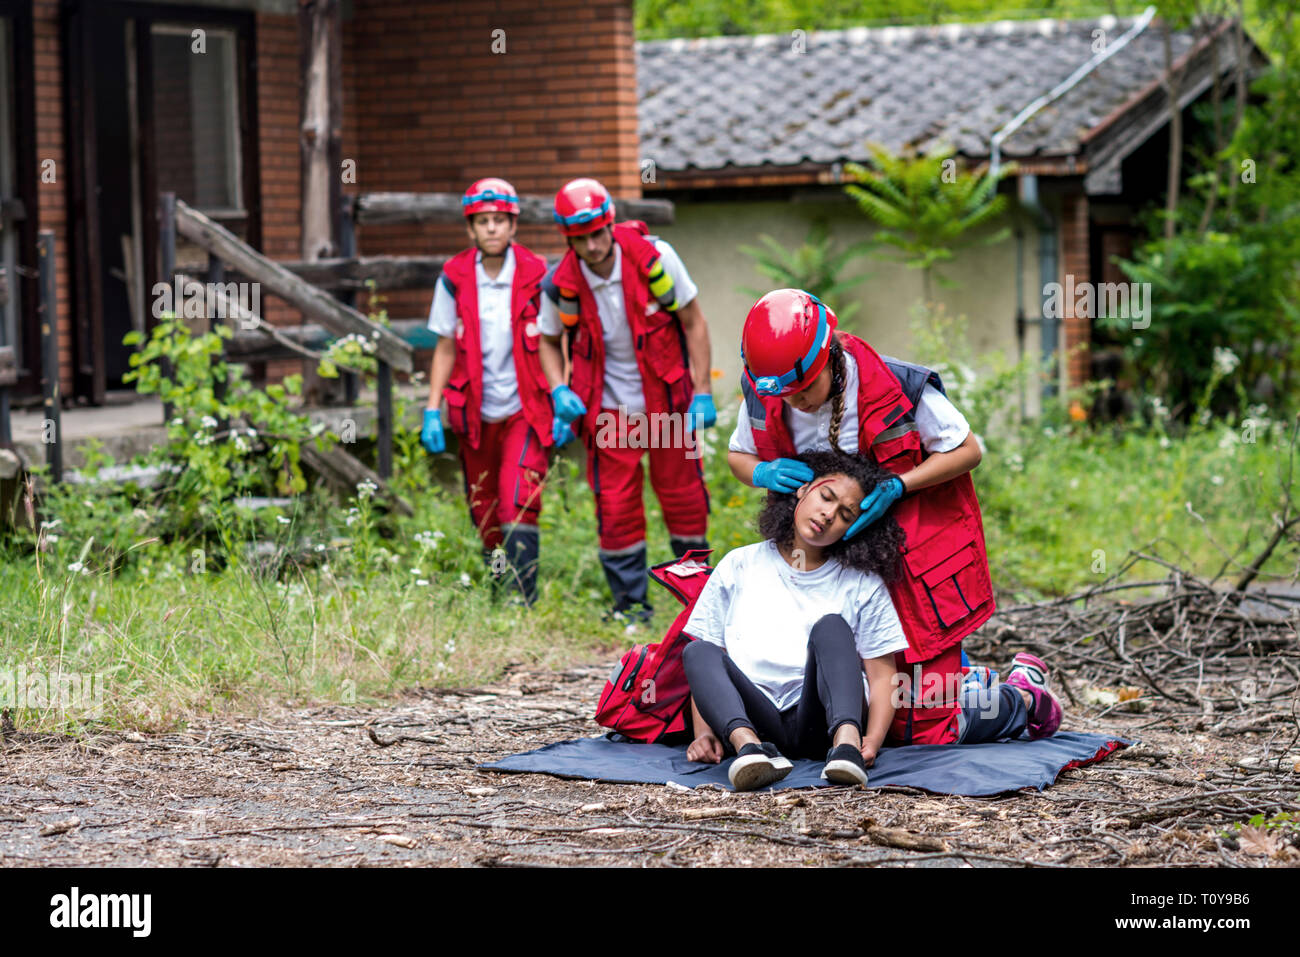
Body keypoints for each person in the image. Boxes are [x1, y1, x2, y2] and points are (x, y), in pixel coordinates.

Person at [727, 288, 1054, 748]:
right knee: (854, 703)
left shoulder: (900, 384)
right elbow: (738, 455)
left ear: (828, 356)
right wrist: (761, 470)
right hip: (829, 565)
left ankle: (1022, 696)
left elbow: (968, 450)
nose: (795, 402)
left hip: (910, 553)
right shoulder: (769, 387)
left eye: (804, 390)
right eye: (786, 393)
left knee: (919, 727)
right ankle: (967, 680)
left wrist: (901, 484)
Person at [683, 451, 1063, 792]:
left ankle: (845, 747)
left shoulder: (860, 582)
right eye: (825, 497)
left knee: (831, 626)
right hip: (754, 720)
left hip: (819, 722)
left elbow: (883, 675)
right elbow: (709, 658)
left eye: (845, 514)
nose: (828, 514)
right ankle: (748, 751)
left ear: (853, 526)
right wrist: (704, 733)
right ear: (802, 492)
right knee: (698, 650)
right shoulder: (740, 564)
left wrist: (873, 740)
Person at [537, 177, 717, 623]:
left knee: (684, 498)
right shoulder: (560, 284)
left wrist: (704, 391)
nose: (594, 245)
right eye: (582, 238)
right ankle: (630, 605)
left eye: (599, 233)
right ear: (569, 238)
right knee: (615, 505)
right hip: (608, 411)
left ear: (610, 224)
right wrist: (559, 387)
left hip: (668, 404)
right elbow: (546, 339)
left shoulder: (656, 258)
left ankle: (695, 601)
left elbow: (694, 322)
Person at [421, 178, 553, 605]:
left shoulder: (537, 272)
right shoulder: (454, 277)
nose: (492, 228)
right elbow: (444, 346)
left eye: (500, 220)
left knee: (518, 500)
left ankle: (522, 597)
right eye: (483, 221)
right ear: (470, 229)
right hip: (474, 412)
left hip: (526, 409)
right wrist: (431, 407)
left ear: (513, 225)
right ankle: (499, 590)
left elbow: (556, 338)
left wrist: (563, 393)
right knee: (485, 508)